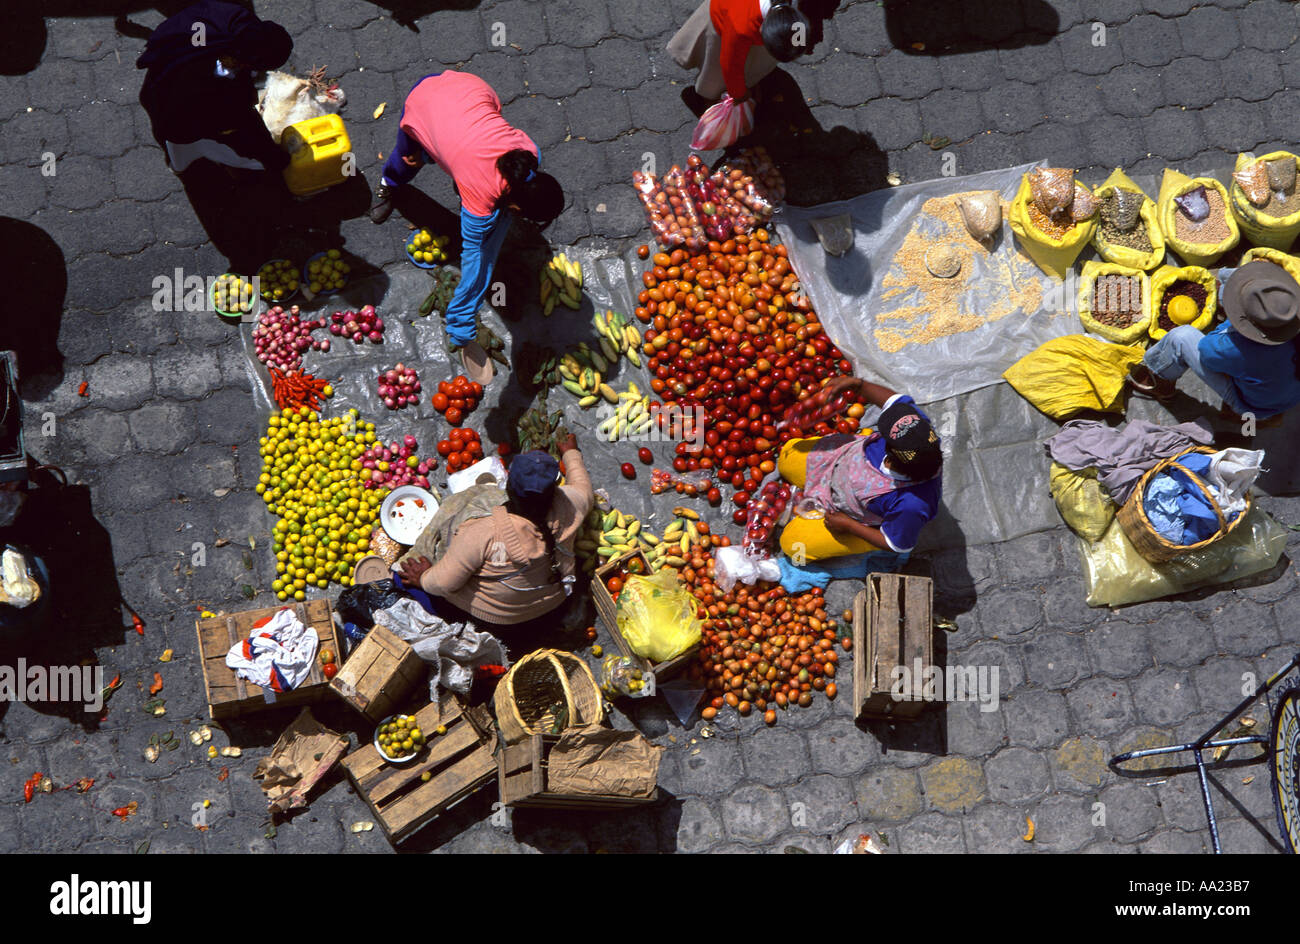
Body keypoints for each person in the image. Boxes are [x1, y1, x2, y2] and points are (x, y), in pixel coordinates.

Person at [369, 71, 564, 372]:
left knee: (458, 158)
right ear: (514, 205)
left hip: (469, 90)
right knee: (409, 159)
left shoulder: (529, 155)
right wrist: (461, 318)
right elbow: (475, 257)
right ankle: (389, 185)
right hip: (425, 103)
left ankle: (446, 161)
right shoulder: (481, 198)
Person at [395, 437, 592, 628]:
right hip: (552, 602)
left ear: (509, 488)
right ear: (555, 489)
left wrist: (423, 578)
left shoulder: (484, 532)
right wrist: (571, 454)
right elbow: (584, 488)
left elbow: (443, 584)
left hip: (495, 617)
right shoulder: (571, 504)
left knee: (402, 576)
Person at [777, 378, 943, 562]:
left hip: (851, 513)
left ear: (891, 454)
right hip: (839, 463)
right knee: (788, 455)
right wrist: (858, 385)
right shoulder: (919, 430)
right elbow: (893, 401)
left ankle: (866, 544)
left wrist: (849, 526)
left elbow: (897, 544)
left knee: (793, 546)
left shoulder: (911, 504)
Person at [1129, 260, 1300, 421]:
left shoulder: (1234, 348)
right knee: (1230, 283)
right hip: (1289, 390)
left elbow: (1207, 352)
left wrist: (1232, 320)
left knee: (1181, 337)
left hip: (1255, 406)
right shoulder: (1286, 309)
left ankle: (1160, 385)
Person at [137, 0, 293, 175]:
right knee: (194, 135)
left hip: (161, 70)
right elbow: (245, 122)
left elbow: (197, 45)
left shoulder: (228, 17)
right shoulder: (214, 87)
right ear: (244, 63)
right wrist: (276, 159)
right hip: (173, 112)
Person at [668, 0, 823, 109]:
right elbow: (730, 65)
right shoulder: (740, 28)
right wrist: (739, 94)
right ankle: (709, 96)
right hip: (723, 24)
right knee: (718, 74)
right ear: (762, 31)